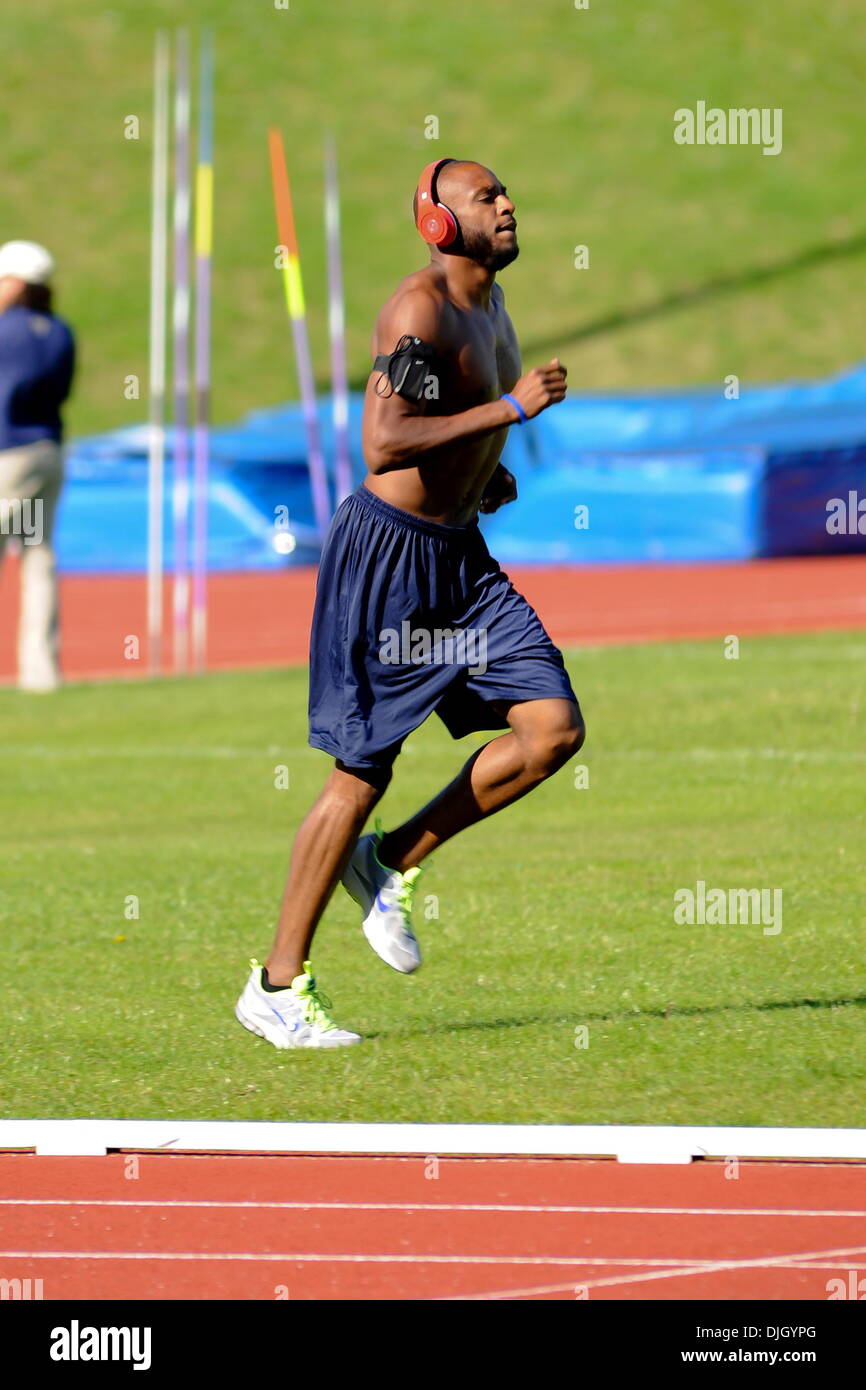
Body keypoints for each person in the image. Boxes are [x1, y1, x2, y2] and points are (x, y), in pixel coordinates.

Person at [236, 159, 585, 1047]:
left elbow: (444, 424)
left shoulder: (494, 306)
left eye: (508, 191)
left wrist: (485, 471)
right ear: (438, 223)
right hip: (385, 565)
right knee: (360, 772)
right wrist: (510, 408)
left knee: (551, 730)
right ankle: (278, 987)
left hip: (460, 562)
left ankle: (388, 861)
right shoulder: (419, 309)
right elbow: (386, 440)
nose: (506, 205)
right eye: (485, 199)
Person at [0, 240, 75, 692]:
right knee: (37, 556)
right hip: (48, 452)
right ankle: (40, 671)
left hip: (10, 455)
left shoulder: (6, 330)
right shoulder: (59, 330)